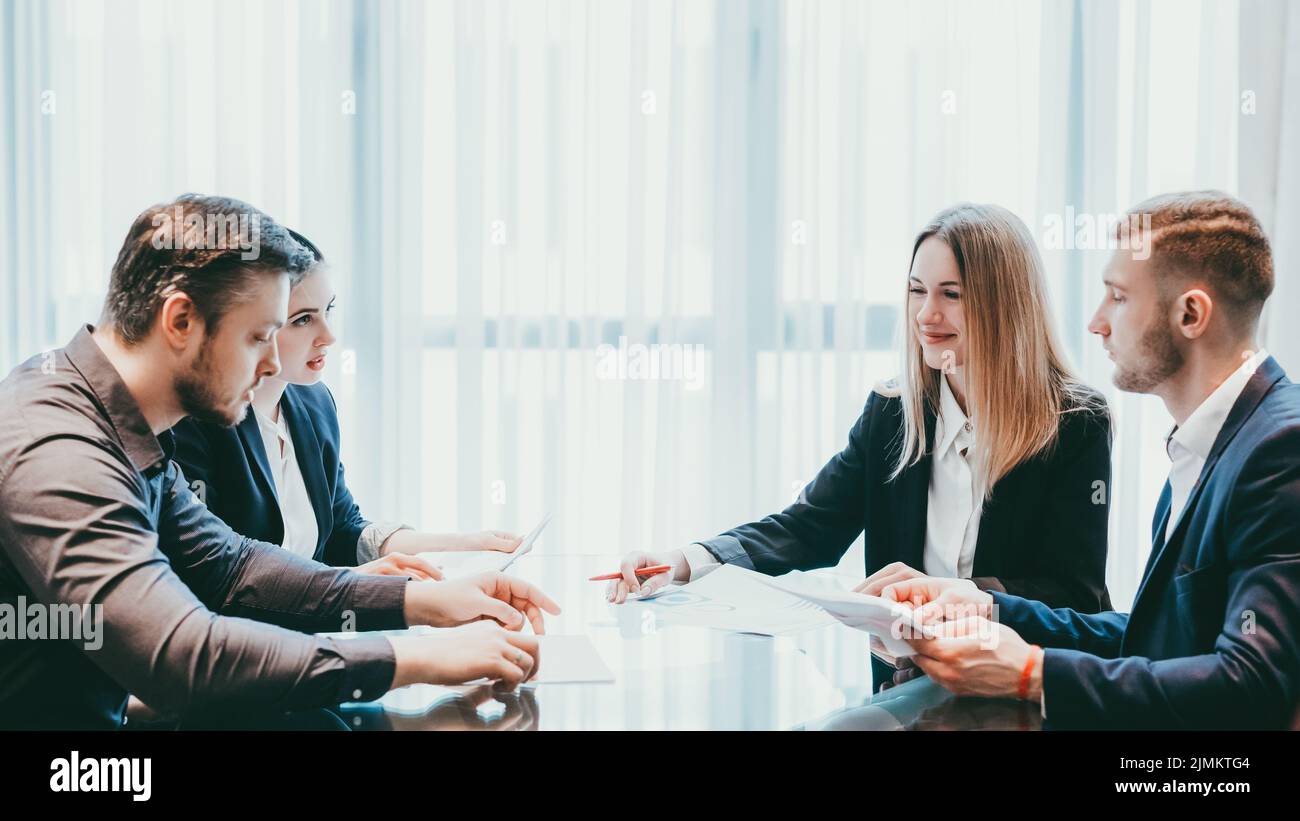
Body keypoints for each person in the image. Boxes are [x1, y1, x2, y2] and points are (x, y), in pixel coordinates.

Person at [0, 194, 559, 729]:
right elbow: (181, 659)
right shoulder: (59, 446)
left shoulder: (114, 416)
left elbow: (232, 566)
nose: (272, 365)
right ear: (180, 321)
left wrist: (426, 601)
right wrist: (412, 660)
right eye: (259, 337)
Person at [608, 203, 1114, 690]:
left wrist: (964, 598)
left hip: (1010, 691)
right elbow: (808, 527)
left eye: (952, 294)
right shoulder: (894, 409)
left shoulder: (1075, 423)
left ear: (1006, 304)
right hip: (903, 683)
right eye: (917, 290)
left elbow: (1074, 598)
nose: (927, 314)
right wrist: (682, 561)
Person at [887, 191, 1300, 729]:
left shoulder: (1279, 449)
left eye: (1118, 297)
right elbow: (1159, 640)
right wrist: (986, 607)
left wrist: (1032, 673)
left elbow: (1255, 684)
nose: (1096, 322)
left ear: (1191, 314)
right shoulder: (1210, 441)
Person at [170, 229, 518, 580]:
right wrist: (359, 586)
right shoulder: (193, 421)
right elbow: (218, 576)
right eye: (303, 319)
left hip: (312, 626)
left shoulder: (313, 402)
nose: (329, 336)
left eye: (328, 310)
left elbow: (341, 529)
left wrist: (460, 546)